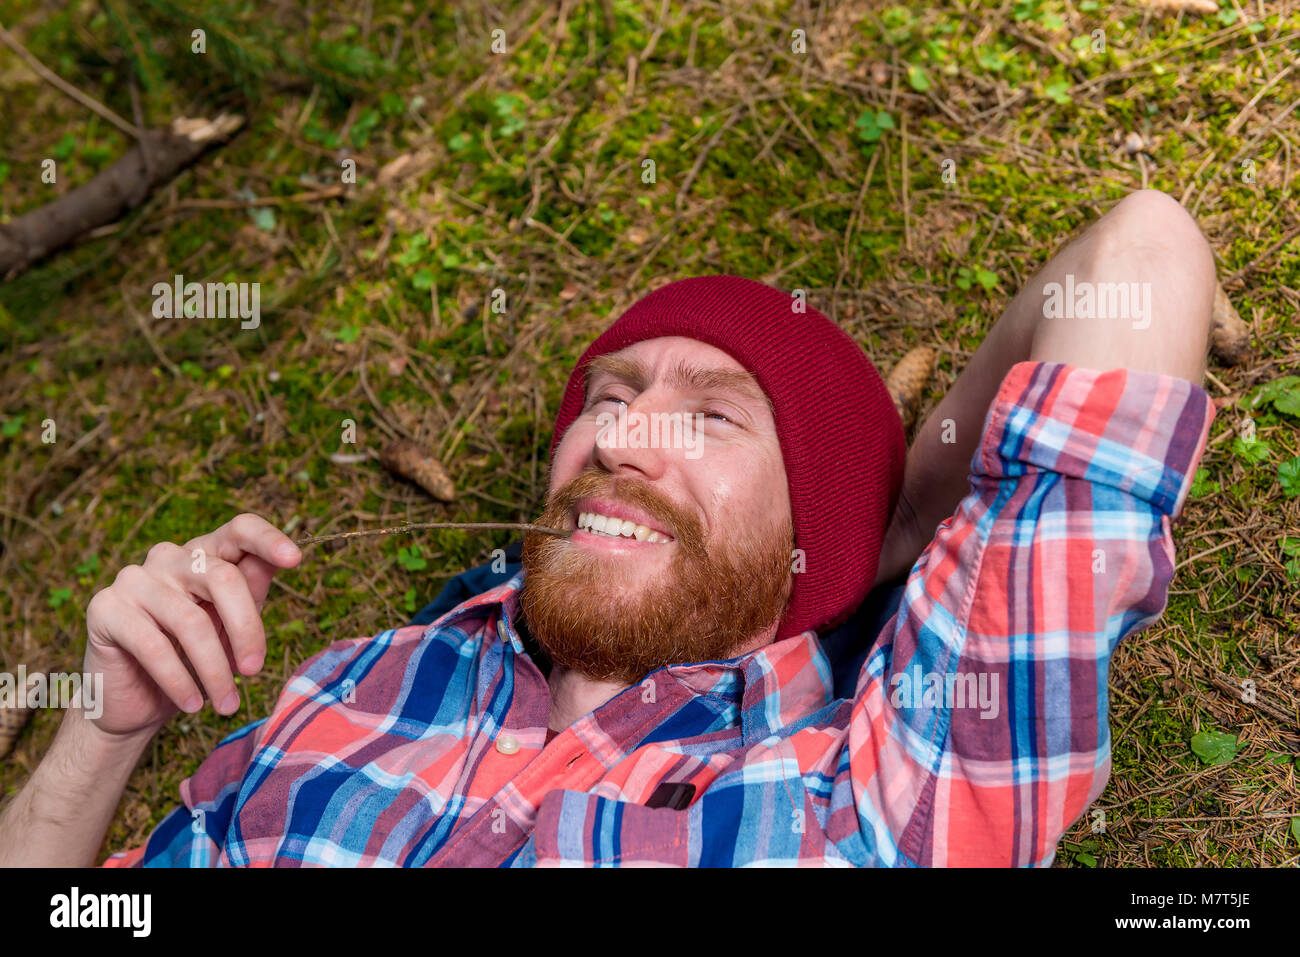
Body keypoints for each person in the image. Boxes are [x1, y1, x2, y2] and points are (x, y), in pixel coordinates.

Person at [0, 188, 1217, 867]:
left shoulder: (886, 790)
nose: (622, 439)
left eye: (715, 418)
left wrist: (887, 528)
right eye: (611, 398)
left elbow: (1139, 251)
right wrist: (102, 737)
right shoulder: (354, 687)